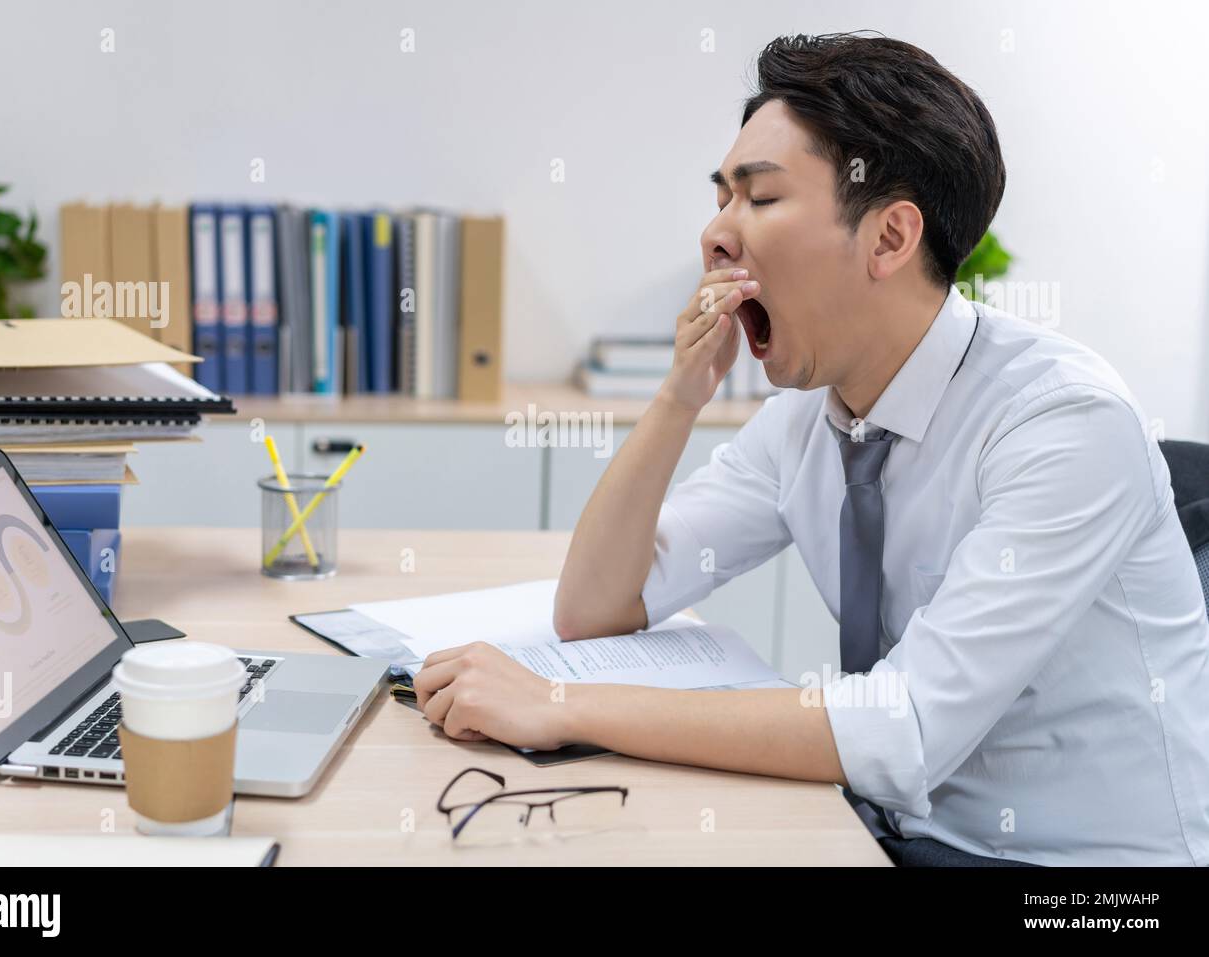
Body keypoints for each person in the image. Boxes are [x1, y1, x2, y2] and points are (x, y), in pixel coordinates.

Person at [413, 32, 1209, 866]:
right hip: (894, 836)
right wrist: (678, 395)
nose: (716, 236)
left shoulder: (1064, 424)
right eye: (721, 198)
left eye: (757, 199)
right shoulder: (810, 415)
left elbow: (904, 724)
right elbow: (598, 608)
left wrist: (562, 703)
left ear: (891, 239)